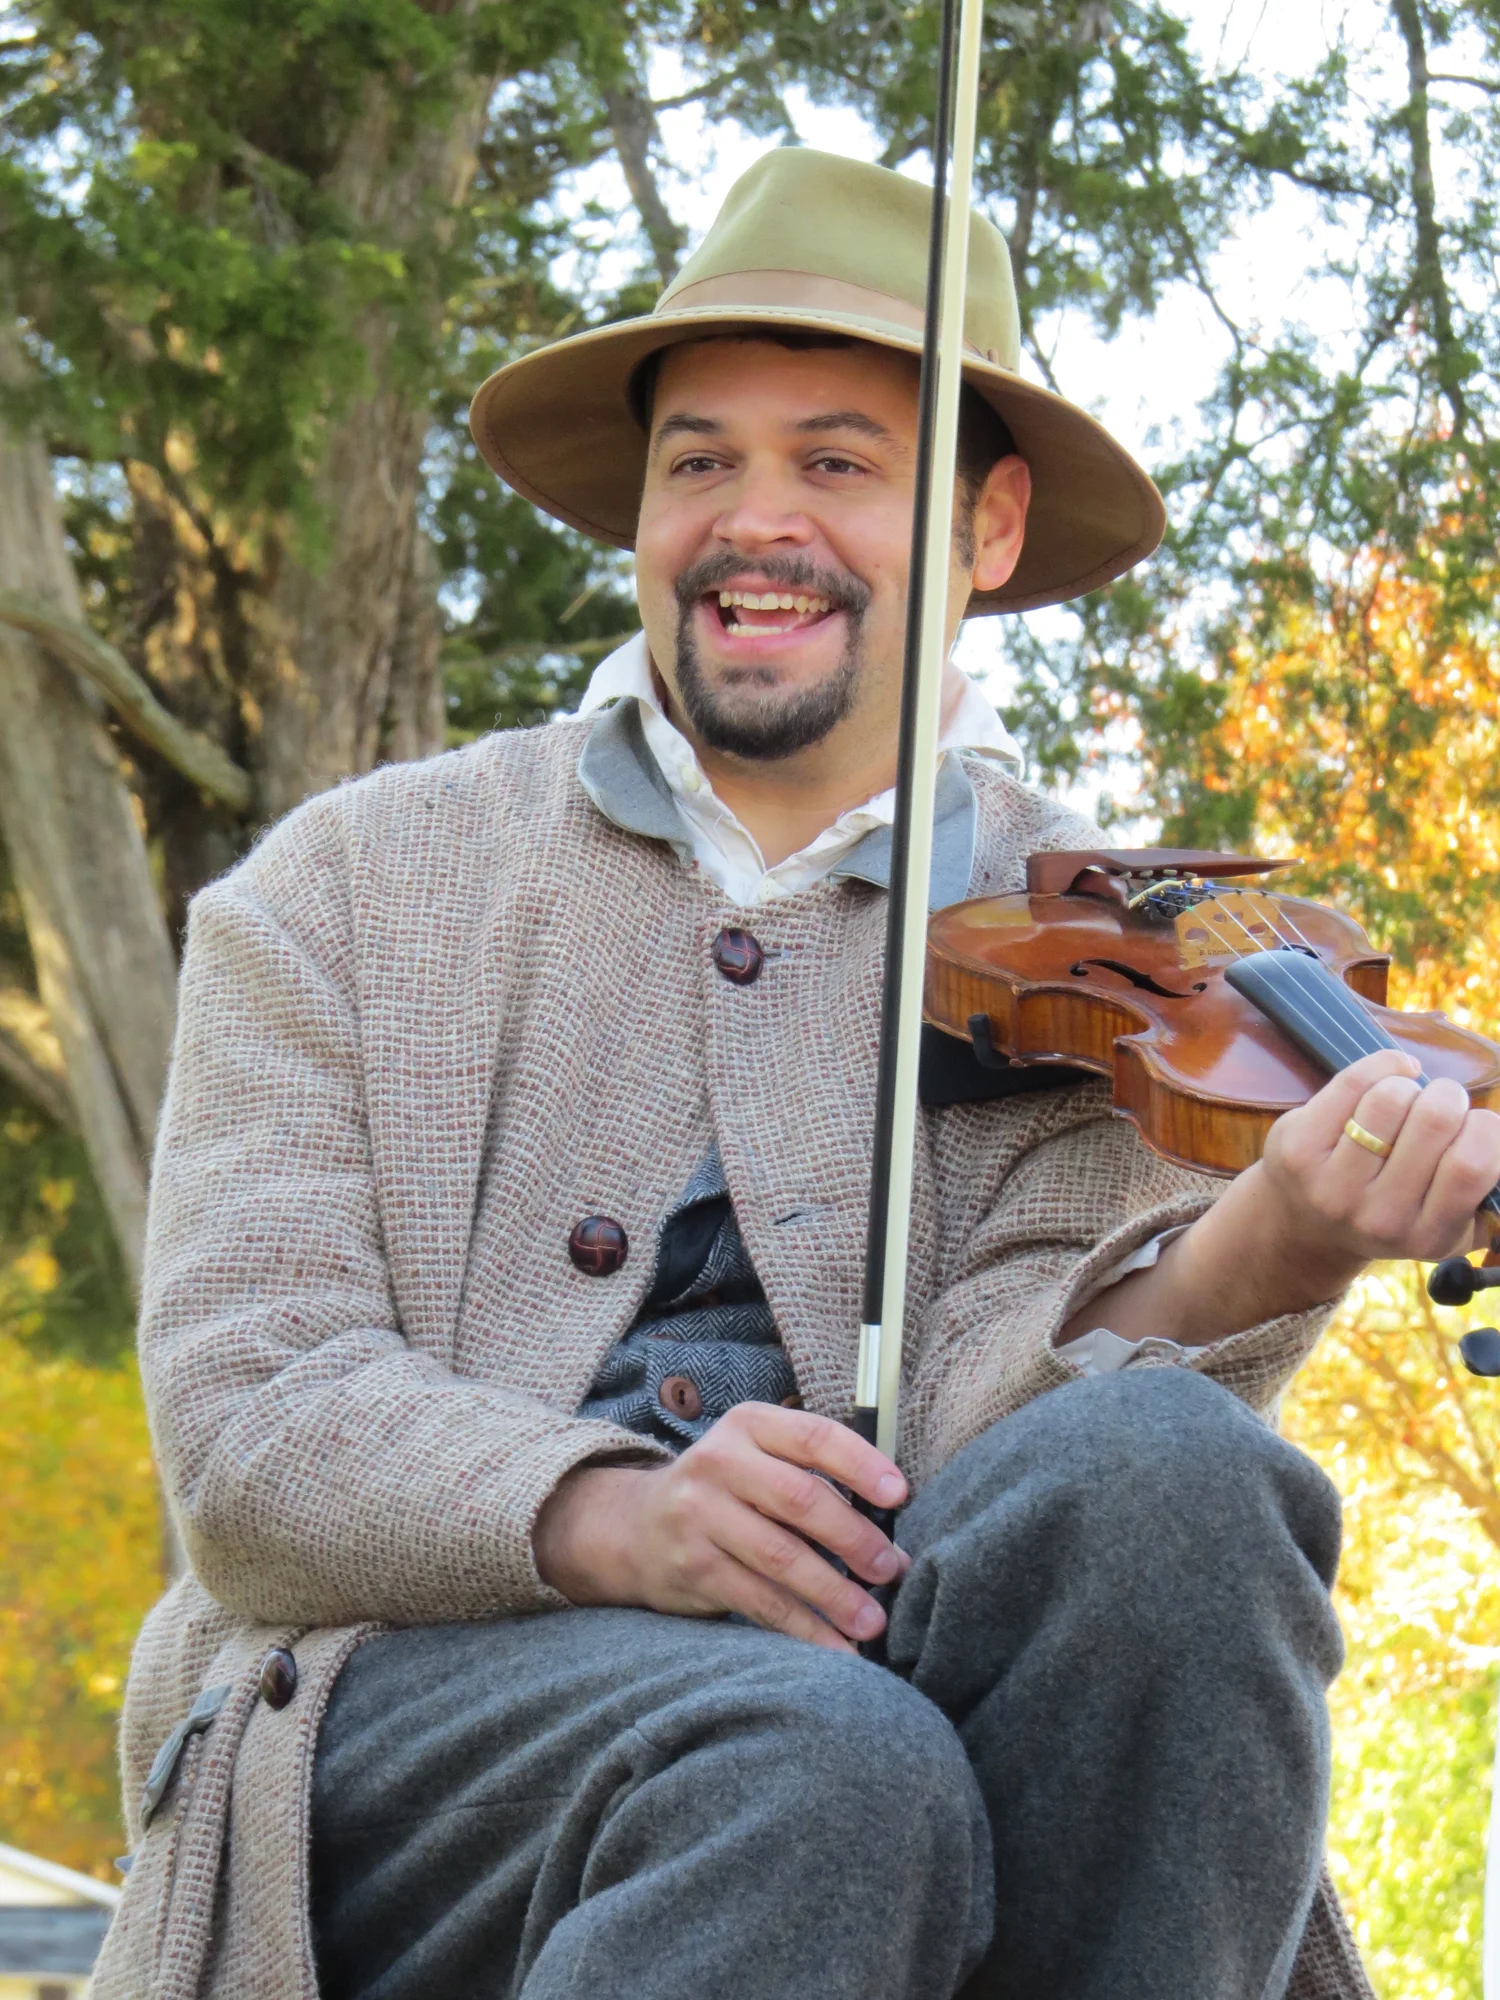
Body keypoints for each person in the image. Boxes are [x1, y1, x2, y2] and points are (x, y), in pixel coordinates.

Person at [91, 149, 1500, 2000]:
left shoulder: (1109, 948)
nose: (759, 524)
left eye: (838, 462)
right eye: (702, 463)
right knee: (805, 1758)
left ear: (988, 532)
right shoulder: (354, 887)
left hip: (886, 1689)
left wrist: (1285, 1239)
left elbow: (1030, 1466)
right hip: (390, 1729)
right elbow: (255, 1429)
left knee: (1171, 1474)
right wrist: (612, 1509)